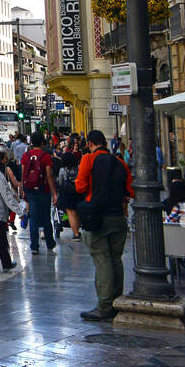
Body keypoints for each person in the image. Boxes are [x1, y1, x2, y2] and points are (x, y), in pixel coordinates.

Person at [75, 130, 134, 322]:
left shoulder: (88, 160)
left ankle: (104, 305)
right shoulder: (120, 162)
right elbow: (131, 189)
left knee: (102, 260)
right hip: (118, 216)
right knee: (116, 259)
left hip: (98, 217)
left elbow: (80, 186)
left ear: (91, 144)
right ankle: (117, 301)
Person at [20, 132, 58, 255]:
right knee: (46, 216)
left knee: (33, 217)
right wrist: (54, 193)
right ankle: (49, 242)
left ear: (31, 142)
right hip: (44, 190)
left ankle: (34, 246)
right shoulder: (46, 156)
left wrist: (23, 190)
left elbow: (23, 173)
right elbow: (49, 175)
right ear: (42, 142)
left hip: (30, 190)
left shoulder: (26, 156)